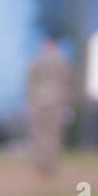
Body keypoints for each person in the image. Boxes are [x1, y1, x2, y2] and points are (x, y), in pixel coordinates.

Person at [26, 36, 72, 175]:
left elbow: (66, 83)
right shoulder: (60, 62)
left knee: (48, 134)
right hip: (50, 102)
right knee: (47, 135)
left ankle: (46, 165)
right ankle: (45, 165)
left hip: (47, 102)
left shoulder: (39, 61)